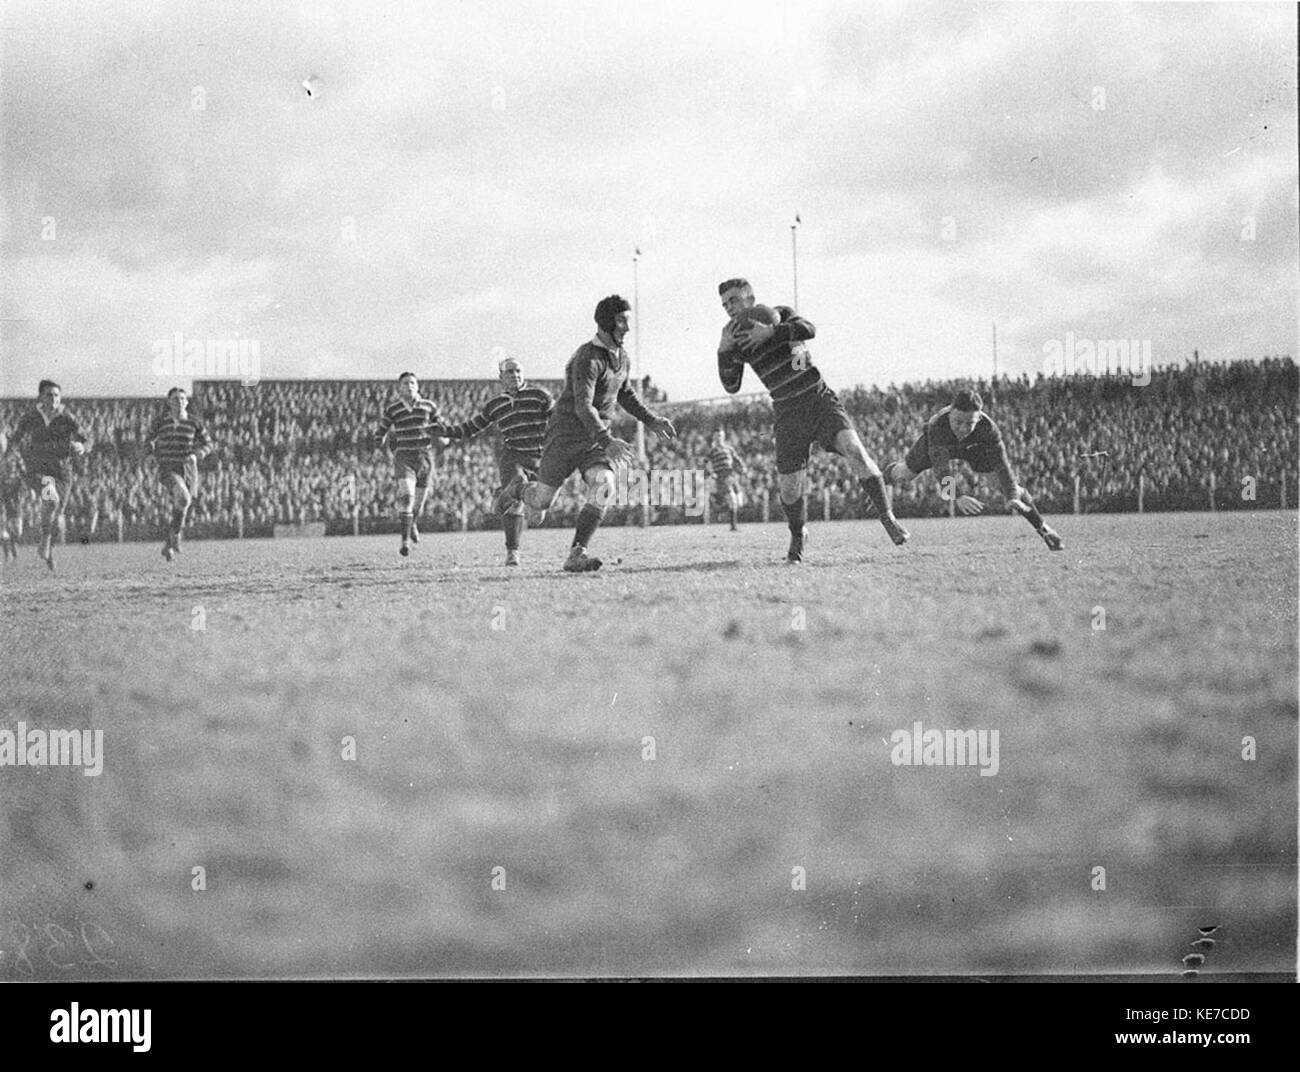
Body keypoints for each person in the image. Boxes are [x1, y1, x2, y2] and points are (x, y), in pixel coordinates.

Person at [716, 278, 907, 563]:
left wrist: (772, 332)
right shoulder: (734, 336)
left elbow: (810, 329)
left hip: (817, 398)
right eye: (725, 304)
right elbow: (731, 386)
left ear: (750, 297)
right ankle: (798, 533)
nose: (729, 307)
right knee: (790, 487)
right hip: (786, 410)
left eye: (734, 300)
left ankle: (888, 517)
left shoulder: (779, 313)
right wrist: (723, 350)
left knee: (856, 452)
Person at [507, 295, 675, 572]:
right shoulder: (588, 357)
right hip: (565, 436)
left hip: (594, 440)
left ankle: (577, 553)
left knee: (605, 483)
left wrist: (652, 420)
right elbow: (583, 406)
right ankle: (517, 488)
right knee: (540, 504)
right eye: (622, 321)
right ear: (607, 322)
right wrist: (607, 440)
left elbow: (625, 393)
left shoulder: (622, 358)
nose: (627, 329)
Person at [885, 389, 1063, 551]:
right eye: (957, 422)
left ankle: (1044, 529)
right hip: (940, 445)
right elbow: (940, 467)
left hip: (974, 448)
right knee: (904, 474)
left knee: (1009, 487)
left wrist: (1012, 496)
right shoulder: (938, 425)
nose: (962, 428)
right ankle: (879, 480)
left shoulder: (989, 430)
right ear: (950, 415)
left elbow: (1002, 466)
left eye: (969, 423)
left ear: (978, 419)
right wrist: (957, 495)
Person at [440, 357, 553, 566]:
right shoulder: (495, 405)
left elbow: (558, 421)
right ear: (500, 377)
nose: (515, 375)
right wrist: (445, 430)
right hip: (513, 457)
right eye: (509, 372)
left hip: (539, 460)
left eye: (518, 371)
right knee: (515, 492)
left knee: (536, 518)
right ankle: (513, 552)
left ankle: (503, 493)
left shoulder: (540, 396)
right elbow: (470, 428)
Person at [5, 380, 88, 570]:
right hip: (38, 470)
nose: (54, 399)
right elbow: (16, 438)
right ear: (41, 397)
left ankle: (49, 549)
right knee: (52, 500)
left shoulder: (67, 418)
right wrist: (8, 456)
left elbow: (86, 438)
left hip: (62, 473)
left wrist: (83, 446)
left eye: (57, 395)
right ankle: (44, 541)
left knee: (57, 517)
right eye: (49, 394)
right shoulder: (31, 417)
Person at [375, 372, 448, 557]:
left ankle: (412, 523)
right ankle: (404, 541)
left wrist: (444, 436)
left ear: (418, 386)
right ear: (399, 388)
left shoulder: (429, 406)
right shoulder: (393, 409)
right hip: (404, 457)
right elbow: (381, 430)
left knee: (418, 505)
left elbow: (441, 426)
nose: (410, 386)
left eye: (413, 383)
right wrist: (379, 442)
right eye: (406, 383)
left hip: (424, 458)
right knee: (406, 496)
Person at [145, 387, 213, 561]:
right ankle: (175, 536)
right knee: (183, 498)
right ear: (169, 402)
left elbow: (208, 444)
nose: (179, 402)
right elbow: (148, 440)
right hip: (168, 467)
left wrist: (197, 454)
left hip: (188, 469)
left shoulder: (194, 422)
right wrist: (151, 454)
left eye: (182, 398)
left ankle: (168, 545)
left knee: (183, 504)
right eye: (175, 399)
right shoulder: (161, 422)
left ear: (187, 402)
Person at [706, 428, 746, 531]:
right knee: (732, 500)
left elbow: (737, 459)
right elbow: (705, 463)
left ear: (723, 437)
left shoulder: (729, 449)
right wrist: (710, 473)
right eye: (717, 436)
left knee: (739, 502)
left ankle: (719, 507)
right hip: (721, 477)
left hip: (732, 476)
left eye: (720, 436)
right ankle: (733, 526)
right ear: (714, 438)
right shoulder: (712, 451)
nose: (719, 438)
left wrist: (742, 467)